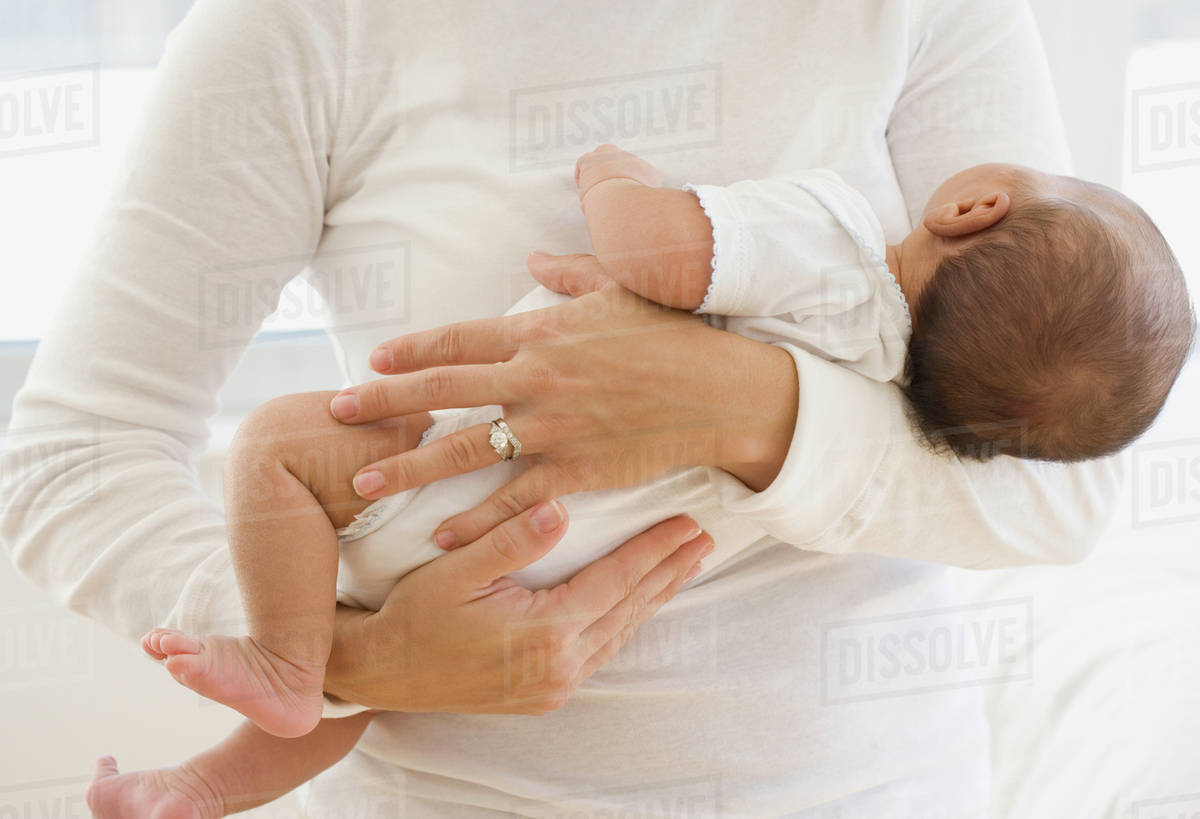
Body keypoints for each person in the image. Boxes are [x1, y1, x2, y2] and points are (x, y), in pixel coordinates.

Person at [1, 0, 1129, 814]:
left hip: (875, 789)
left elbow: (1060, 480)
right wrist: (350, 652)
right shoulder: (303, 29)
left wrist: (739, 409)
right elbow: (70, 458)